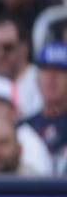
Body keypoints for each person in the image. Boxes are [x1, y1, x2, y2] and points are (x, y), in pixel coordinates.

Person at [25, 41, 67, 172]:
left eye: (59, 71)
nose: (51, 78)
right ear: (36, 77)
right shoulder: (23, 127)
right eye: (45, 70)